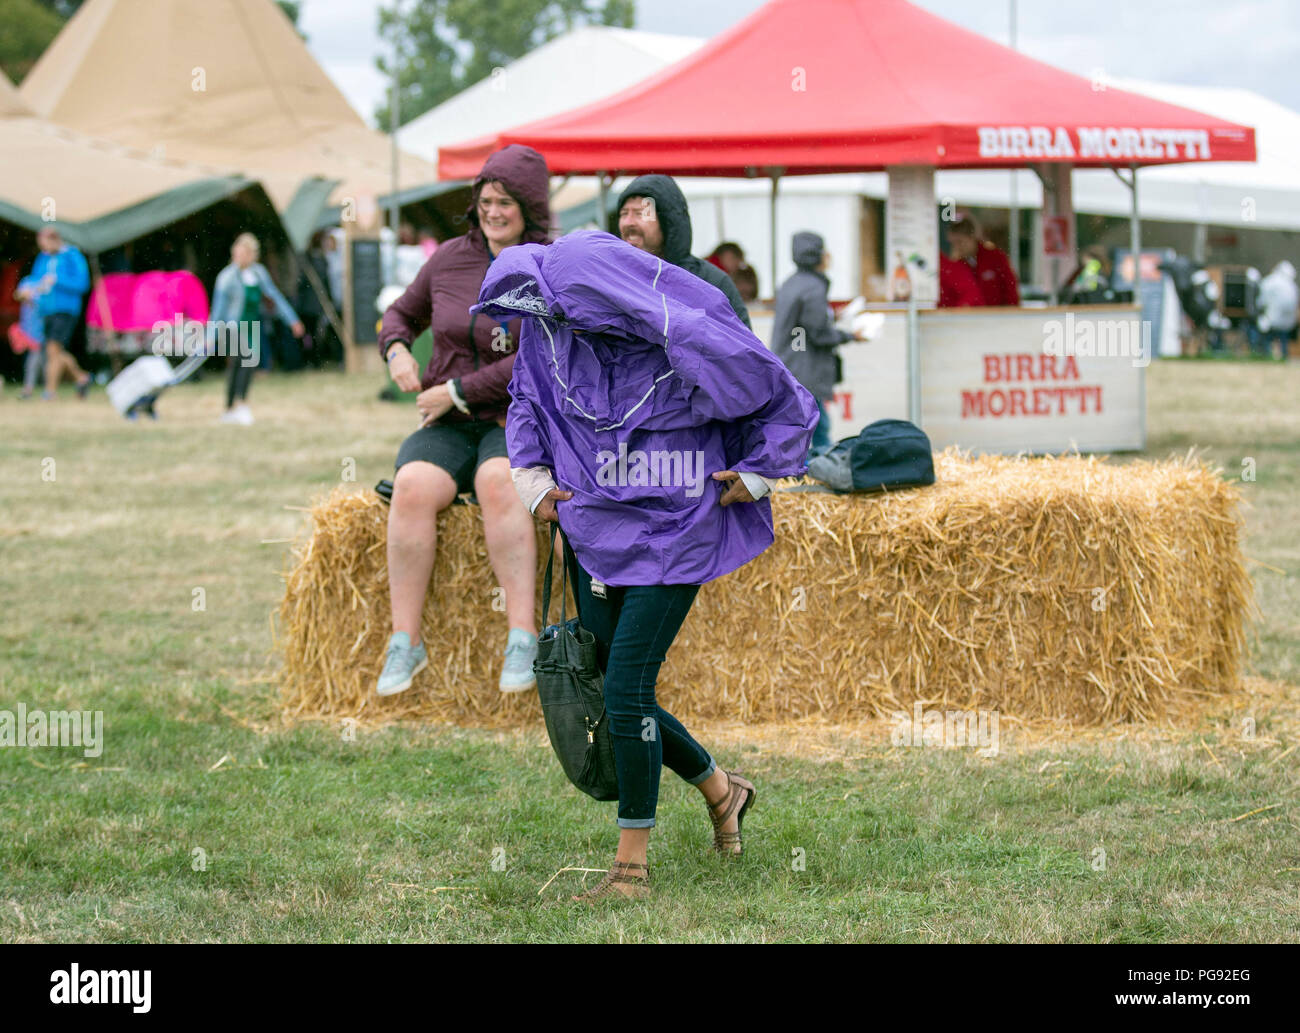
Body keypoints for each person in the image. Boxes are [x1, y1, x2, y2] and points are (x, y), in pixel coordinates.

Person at [481, 230, 818, 902]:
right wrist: (534, 478)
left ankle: (630, 867)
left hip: (676, 529)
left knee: (626, 689)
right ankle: (724, 790)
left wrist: (756, 473)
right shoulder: (547, 322)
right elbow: (527, 401)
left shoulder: (686, 328)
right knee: (615, 684)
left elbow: (770, 389)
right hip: (596, 525)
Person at [376, 144, 552, 697]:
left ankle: (522, 634)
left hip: (516, 416)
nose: (493, 211)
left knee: (499, 482)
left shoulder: (549, 263)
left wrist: (455, 390)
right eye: (484, 200)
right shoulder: (449, 258)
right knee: (410, 486)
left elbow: (536, 356)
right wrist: (397, 351)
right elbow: (400, 313)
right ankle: (406, 640)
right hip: (448, 423)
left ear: (528, 207)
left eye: (505, 202)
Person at [772, 232, 866, 458]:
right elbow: (819, 333)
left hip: (790, 365)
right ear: (818, 256)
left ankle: (798, 469)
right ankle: (823, 469)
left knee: (800, 425)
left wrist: (831, 316)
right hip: (806, 370)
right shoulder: (814, 288)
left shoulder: (790, 283)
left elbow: (803, 325)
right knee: (819, 428)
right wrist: (851, 335)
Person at [614, 175, 751, 328]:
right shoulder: (613, 279)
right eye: (624, 213)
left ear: (668, 222)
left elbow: (744, 347)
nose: (628, 222)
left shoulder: (710, 283)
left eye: (640, 213)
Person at [207, 233, 304, 424]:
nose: (239, 256)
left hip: (251, 325)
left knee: (247, 365)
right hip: (232, 327)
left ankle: (237, 406)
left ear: (252, 255)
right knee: (240, 363)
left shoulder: (258, 273)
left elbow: (274, 297)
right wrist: (211, 335)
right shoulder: (226, 278)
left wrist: (292, 320)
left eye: (244, 253)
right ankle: (233, 406)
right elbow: (218, 310)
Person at [16, 226, 91, 400]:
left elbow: (82, 284)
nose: (43, 248)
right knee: (54, 351)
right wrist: (27, 290)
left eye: (45, 244)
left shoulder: (72, 255)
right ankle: (82, 377)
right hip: (45, 309)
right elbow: (36, 280)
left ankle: (50, 392)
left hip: (65, 309)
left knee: (53, 349)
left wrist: (58, 281)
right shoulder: (43, 257)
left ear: (55, 240)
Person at [947, 215, 1020, 307]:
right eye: (953, 243)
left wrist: (1010, 313)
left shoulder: (995, 257)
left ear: (972, 237)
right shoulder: (956, 265)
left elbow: (1010, 288)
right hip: (970, 318)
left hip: (997, 316)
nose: (957, 247)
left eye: (960, 241)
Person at [1252, 260, 1297, 360]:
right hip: (1287, 322)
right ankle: (1284, 355)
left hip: (1272, 318)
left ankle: (1266, 354)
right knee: (1283, 338)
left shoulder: (1270, 281)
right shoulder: (1292, 286)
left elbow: (1262, 300)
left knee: (1267, 336)